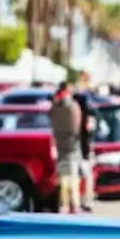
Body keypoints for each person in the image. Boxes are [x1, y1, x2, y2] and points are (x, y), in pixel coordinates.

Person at [48, 82, 83, 213]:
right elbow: (76, 127)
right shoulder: (73, 106)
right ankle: (75, 204)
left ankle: (64, 205)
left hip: (59, 145)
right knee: (73, 177)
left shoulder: (54, 107)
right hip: (72, 145)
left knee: (63, 178)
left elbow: (50, 118)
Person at [74, 76, 96, 213]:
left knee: (80, 177)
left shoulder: (77, 115)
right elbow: (91, 132)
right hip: (85, 149)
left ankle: (82, 201)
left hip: (79, 149)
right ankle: (86, 201)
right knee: (86, 177)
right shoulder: (89, 115)